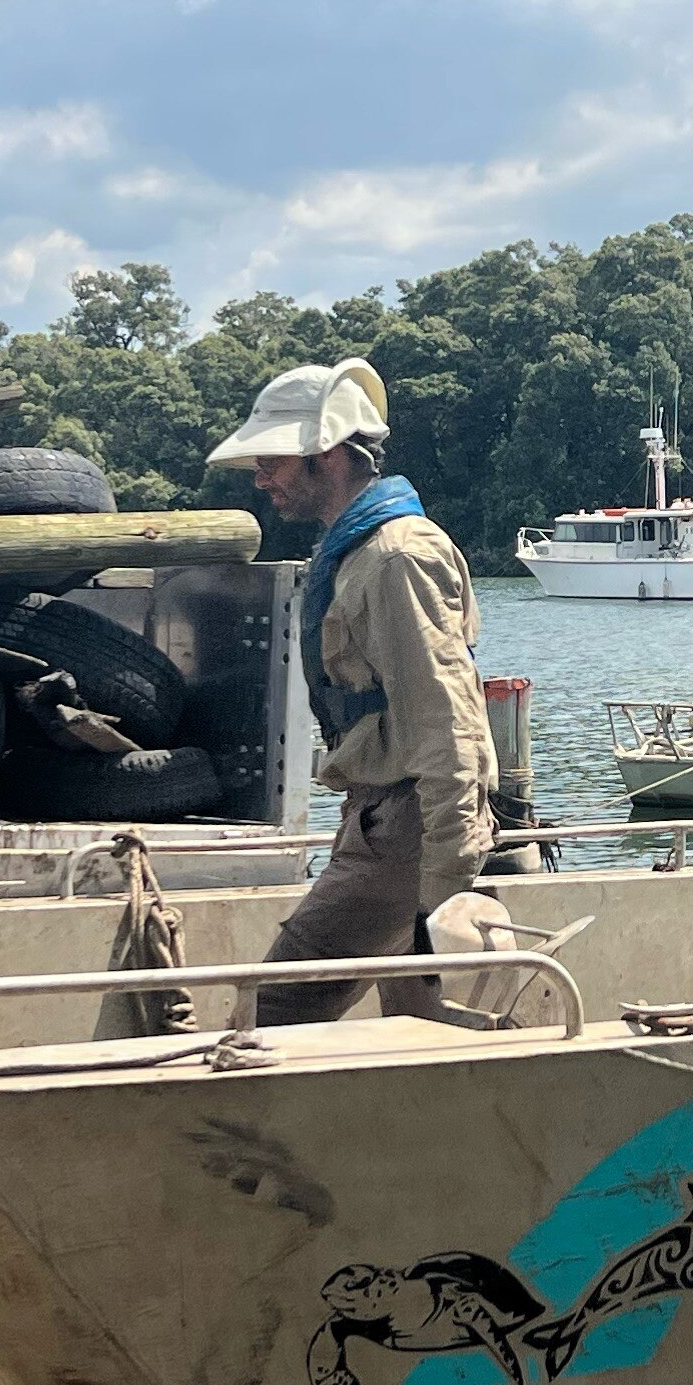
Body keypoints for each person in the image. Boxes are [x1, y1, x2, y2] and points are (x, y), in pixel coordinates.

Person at [209, 357, 498, 1022]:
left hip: (405, 832)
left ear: (329, 454)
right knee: (421, 1030)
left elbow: (447, 724)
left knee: (268, 1016)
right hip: (381, 820)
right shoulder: (361, 552)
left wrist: (444, 886)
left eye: (273, 460)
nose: (261, 478)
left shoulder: (397, 558)